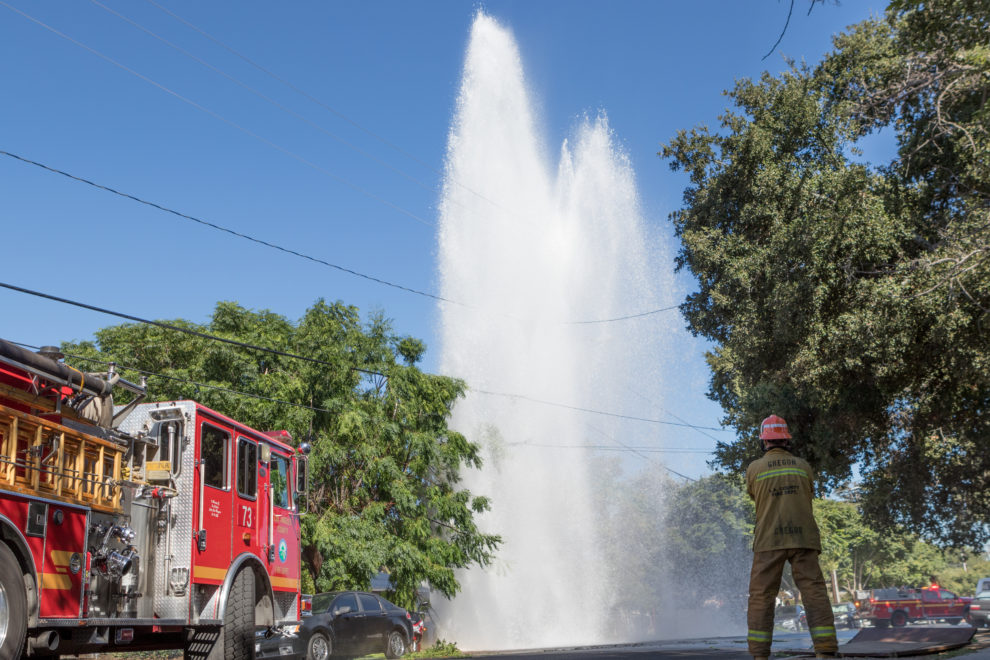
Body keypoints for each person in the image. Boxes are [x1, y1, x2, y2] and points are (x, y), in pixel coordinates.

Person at [746, 414, 837, 660]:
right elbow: (807, 495)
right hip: (803, 539)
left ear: (764, 442)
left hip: (768, 540)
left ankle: (759, 655)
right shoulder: (803, 466)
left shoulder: (754, 469)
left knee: (761, 596)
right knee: (814, 592)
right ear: (787, 440)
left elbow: (756, 498)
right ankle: (826, 651)